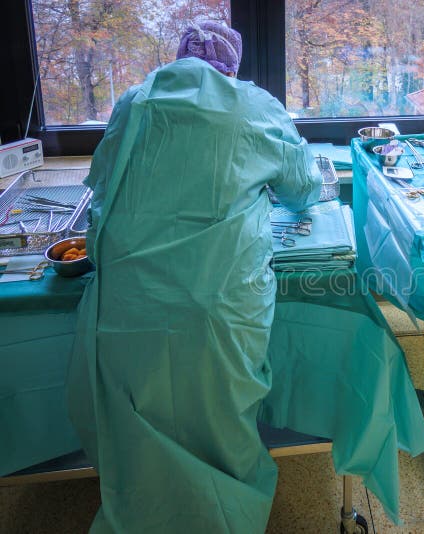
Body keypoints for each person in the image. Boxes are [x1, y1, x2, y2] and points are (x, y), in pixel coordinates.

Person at [66, 21, 321, 533]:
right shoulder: (252, 107)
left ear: (177, 58)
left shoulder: (133, 104)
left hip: (130, 308)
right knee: (218, 422)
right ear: (232, 66)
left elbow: (100, 195)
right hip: (218, 306)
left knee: (144, 430)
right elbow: (301, 187)